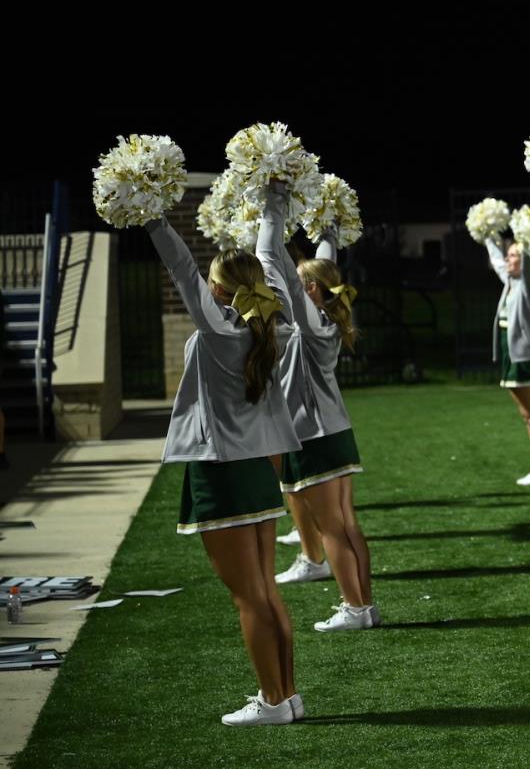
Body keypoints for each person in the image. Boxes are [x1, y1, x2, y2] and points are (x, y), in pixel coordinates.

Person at [145, 214, 303, 726]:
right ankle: (286, 695)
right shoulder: (265, 323)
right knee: (265, 590)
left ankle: (274, 700)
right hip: (257, 468)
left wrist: (151, 217)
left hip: (222, 470)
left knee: (249, 595)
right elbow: (272, 258)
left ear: (218, 288)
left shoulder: (217, 329)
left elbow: (179, 267)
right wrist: (273, 204)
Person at [258, 183, 377, 631]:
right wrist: (327, 224)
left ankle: (356, 607)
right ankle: (363, 606)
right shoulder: (324, 318)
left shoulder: (310, 325)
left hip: (313, 436)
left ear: (309, 289)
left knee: (333, 528)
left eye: (299, 285)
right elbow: (318, 268)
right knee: (346, 524)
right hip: (333, 432)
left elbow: (280, 264)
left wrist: (275, 200)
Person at [484, 232, 530, 487]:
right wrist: (487, 235)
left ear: (524, 260)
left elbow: (526, 269)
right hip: (511, 357)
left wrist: (526, 243)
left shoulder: (529, 286)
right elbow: (496, 261)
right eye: (510, 253)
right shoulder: (510, 282)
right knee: (527, 415)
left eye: (514, 255)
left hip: (526, 358)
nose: (508, 258)